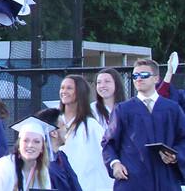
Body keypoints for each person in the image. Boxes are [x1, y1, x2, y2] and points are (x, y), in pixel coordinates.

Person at [101, 57, 185, 189]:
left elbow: (183, 139)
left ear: (156, 78)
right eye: (135, 76)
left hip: (165, 179)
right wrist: (115, 163)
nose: (138, 79)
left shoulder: (172, 109)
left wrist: (176, 156)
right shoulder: (123, 109)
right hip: (133, 180)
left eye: (144, 75)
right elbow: (109, 142)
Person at [45, 75, 109, 191]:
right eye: (62, 88)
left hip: (86, 184)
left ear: (80, 92)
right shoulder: (54, 121)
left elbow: (104, 156)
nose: (64, 91)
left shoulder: (91, 126)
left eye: (69, 88)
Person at [0, 117, 63, 191]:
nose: (30, 145)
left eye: (36, 141)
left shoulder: (42, 171)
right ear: (19, 145)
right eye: (26, 140)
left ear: (42, 148)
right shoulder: (3, 169)